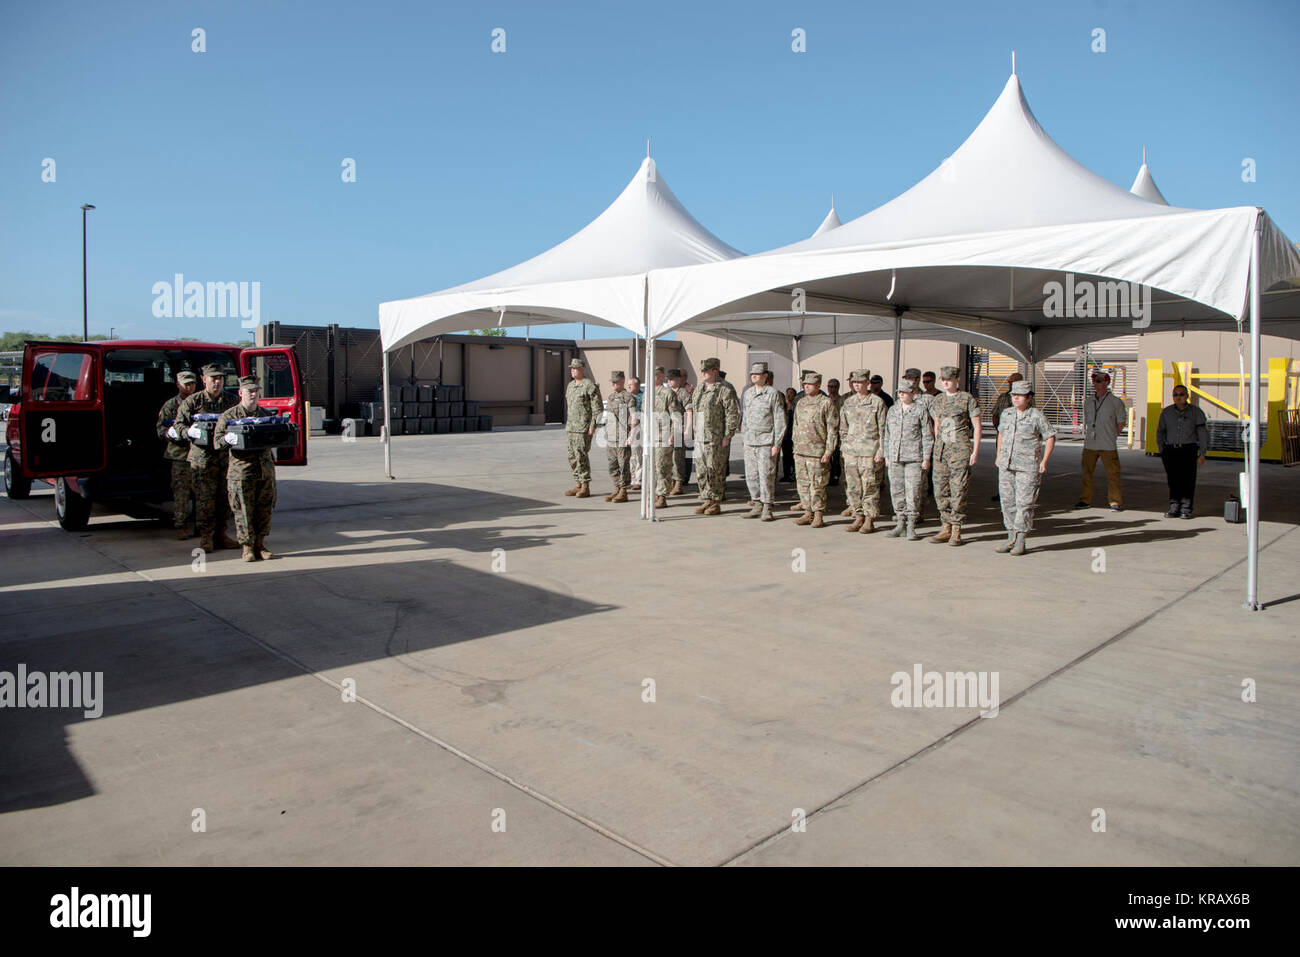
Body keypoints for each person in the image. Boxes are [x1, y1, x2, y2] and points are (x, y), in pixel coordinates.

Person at [215, 375, 280, 562]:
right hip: (241, 472)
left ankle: (260, 544)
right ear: (240, 392)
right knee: (243, 510)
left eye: (255, 390)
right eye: (249, 390)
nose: (252, 394)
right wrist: (228, 439)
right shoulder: (229, 416)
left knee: (264, 509)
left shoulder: (266, 416)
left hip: (264, 471)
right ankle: (247, 547)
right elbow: (217, 442)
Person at [175, 363, 238, 553]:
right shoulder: (193, 402)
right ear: (204, 380)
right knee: (205, 501)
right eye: (213, 378)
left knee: (224, 500)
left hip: (225, 458)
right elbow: (178, 426)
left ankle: (221, 535)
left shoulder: (231, 401)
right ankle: (206, 538)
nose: (217, 382)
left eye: (220, 378)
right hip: (202, 459)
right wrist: (189, 432)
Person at [994, 380, 1056, 555]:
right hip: (1006, 465)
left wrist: (1044, 461)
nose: (1016, 398)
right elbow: (1001, 434)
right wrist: (999, 455)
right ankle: (1010, 537)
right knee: (1007, 502)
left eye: (1020, 395)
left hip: (1027, 467)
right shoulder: (1006, 414)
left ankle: (1021, 539)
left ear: (1029, 397)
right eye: (1013, 395)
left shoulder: (1036, 415)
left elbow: (1050, 436)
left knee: (1024, 504)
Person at [928, 365, 981, 546]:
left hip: (959, 450)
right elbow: (936, 425)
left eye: (949, 379)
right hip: (941, 451)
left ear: (957, 380)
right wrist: (935, 447)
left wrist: (975, 451)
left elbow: (977, 426)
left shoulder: (966, 399)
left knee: (958, 489)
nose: (946, 382)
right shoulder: (938, 400)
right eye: (943, 380)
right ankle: (945, 526)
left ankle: (956, 528)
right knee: (940, 490)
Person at [880, 379, 932, 540]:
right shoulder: (894, 410)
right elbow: (887, 434)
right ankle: (900, 524)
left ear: (913, 393)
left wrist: (926, 458)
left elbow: (927, 435)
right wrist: (887, 455)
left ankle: (911, 526)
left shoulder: (920, 410)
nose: (901, 394)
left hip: (914, 458)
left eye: (904, 392)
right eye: (899, 392)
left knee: (913, 492)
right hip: (895, 457)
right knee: (896, 491)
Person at [838, 369, 888, 533]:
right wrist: (845, 447)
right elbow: (843, 428)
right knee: (853, 486)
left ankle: (869, 519)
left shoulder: (877, 402)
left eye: (860, 382)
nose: (857, 384)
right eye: (854, 382)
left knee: (870, 487)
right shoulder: (849, 402)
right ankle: (858, 516)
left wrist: (881, 451)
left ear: (868, 383)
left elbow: (883, 430)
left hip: (870, 452)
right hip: (852, 452)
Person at [690, 358, 739, 515]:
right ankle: (707, 499)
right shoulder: (699, 388)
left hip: (716, 438)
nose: (703, 373)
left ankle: (716, 502)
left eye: (707, 370)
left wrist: (728, 435)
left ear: (715, 370)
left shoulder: (724, 389)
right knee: (702, 471)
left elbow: (732, 413)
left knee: (715, 471)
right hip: (700, 437)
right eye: (702, 370)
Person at [790, 370, 838, 527]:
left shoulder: (826, 403)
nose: (806, 386)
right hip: (801, 450)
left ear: (818, 385)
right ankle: (807, 512)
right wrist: (795, 447)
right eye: (805, 384)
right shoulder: (801, 402)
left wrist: (828, 451)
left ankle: (818, 514)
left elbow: (832, 429)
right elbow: (795, 426)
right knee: (803, 484)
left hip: (817, 452)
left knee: (817, 484)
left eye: (809, 384)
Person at [739, 361, 786, 521]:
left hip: (766, 441)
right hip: (750, 441)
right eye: (752, 374)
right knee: (751, 475)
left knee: (766, 475)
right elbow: (745, 417)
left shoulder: (772, 393)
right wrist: (744, 438)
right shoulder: (748, 393)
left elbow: (780, 420)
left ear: (765, 376)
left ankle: (767, 506)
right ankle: (757, 503)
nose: (754, 376)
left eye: (757, 374)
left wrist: (777, 443)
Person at [1077, 370, 1128, 511]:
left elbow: (1121, 422)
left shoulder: (1115, 402)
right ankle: (1085, 500)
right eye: (1094, 381)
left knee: (1113, 474)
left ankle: (1115, 501)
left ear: (1106, 382)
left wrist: (1113, 435)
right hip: (1090, 444)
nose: (1095, 383)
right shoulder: (1088, 401)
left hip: (1108, 444)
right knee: (1086, 473)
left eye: (1099, 380)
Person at [1156, 385, 1209, 519]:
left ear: (1187, 396)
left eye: (1181, 394)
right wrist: (1162, 450)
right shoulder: (1166, 413)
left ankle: (1186, 508)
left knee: (1188, 480)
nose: (1178, 397)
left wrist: (1202, 454)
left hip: (1188, 450)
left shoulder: (1196, 413)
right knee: (1173, 480)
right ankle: (1174, 507)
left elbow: (1202, 434)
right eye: (1175, 395)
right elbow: (1160, 432)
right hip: (1171, 450)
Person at [156, 369, 198, 539]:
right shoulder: (171, 405)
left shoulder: (200, 402)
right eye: (186, 383)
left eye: (192, 383)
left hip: (199, 454)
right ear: (178, 384)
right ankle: (181, 525)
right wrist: (170, 433)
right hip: (180, 455)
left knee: (202, 492)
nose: (189, 387)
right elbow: (160, 429)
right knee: (181, 492)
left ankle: (202, 525)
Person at [563, 358, 602, 498]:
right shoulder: (570, 385)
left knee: (581, 456)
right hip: (571, 427)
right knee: (571, 456)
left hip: (583, 428)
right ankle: (577, 483)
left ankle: (585, 486)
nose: (573, 370)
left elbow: (597, 409)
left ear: (582, 369)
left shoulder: (589, 385)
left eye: (575, 368)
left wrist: (593, 426)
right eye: (571, 368)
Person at [650, 366, 684, 509]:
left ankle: (662, 496)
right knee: (652, 468)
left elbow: (676, 416)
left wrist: (673, 434)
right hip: (650, 436)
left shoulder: (668, 393)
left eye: (656, 375)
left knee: (662, 467)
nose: (653, 378)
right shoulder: (648, 394)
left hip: (663, 437)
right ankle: (656, 494)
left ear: (660, 376)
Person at [603, 370, 638, 503]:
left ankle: (623, 491)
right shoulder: (611, 397)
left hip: (623, 437)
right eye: (612, 381)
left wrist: (631, 435)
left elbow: (634, 418)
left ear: (622, 381)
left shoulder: (628, 397)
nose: (613, 384)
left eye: (615, 381)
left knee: (623, 465)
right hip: (611, 437)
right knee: (612, 465)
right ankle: (616, 488)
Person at [989, 372, 1023, 501]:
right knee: (1002, 464)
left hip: (1019, 438)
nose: (1011, 385)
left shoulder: (1027, 398)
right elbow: (995, 414)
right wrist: (999, 429)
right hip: (1003, 436)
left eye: (1013, 382)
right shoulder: (1002, 397)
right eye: (1010, 382)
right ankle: (1003, 491)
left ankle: (1018, 492)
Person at [716, 369, 738, 498]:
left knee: (721, 461)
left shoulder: (726, 387)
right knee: (719, 461)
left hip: (722, 430)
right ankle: (719, 487)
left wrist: (729, 432)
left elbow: (732, 409)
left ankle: (721, 487)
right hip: (714, 431)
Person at [668, 369, 690, 494]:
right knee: (670, 457)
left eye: (672, 379)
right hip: (668, 428)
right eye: (669, 379)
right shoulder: (668, 392)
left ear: (678, 379)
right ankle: (672, 480)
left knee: (678, 457)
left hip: (679, 428)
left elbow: (689, 411)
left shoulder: (683, 393)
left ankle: (679, 483)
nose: (670, 381)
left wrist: (687, 429)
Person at [627, 375, 643, 491]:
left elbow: (637, 416)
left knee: (638, 455)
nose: (628, 386)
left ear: (637, 385)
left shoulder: (642, 397)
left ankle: (639, 480)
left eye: (631, 384)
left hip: (639, 428)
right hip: (628, 428)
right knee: (632, 456)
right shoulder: (627, 397)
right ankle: (633, 479)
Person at [826, 378, 843, 487]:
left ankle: (835, 475)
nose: (832, 389)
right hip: (827, 432)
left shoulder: (842, 401)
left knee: (836, 455)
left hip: (839, 431)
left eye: (834, 386)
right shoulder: (825, 400)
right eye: (830, 386)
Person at [781, 387, 797, 482]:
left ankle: (793, 474)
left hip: (793, 435)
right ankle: (786, 474)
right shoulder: (784, 406)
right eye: (787, 393)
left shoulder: (796, 406)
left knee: (793, 456)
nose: (789, 395)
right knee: (785, 456)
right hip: (785, 435)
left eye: (791, 393)